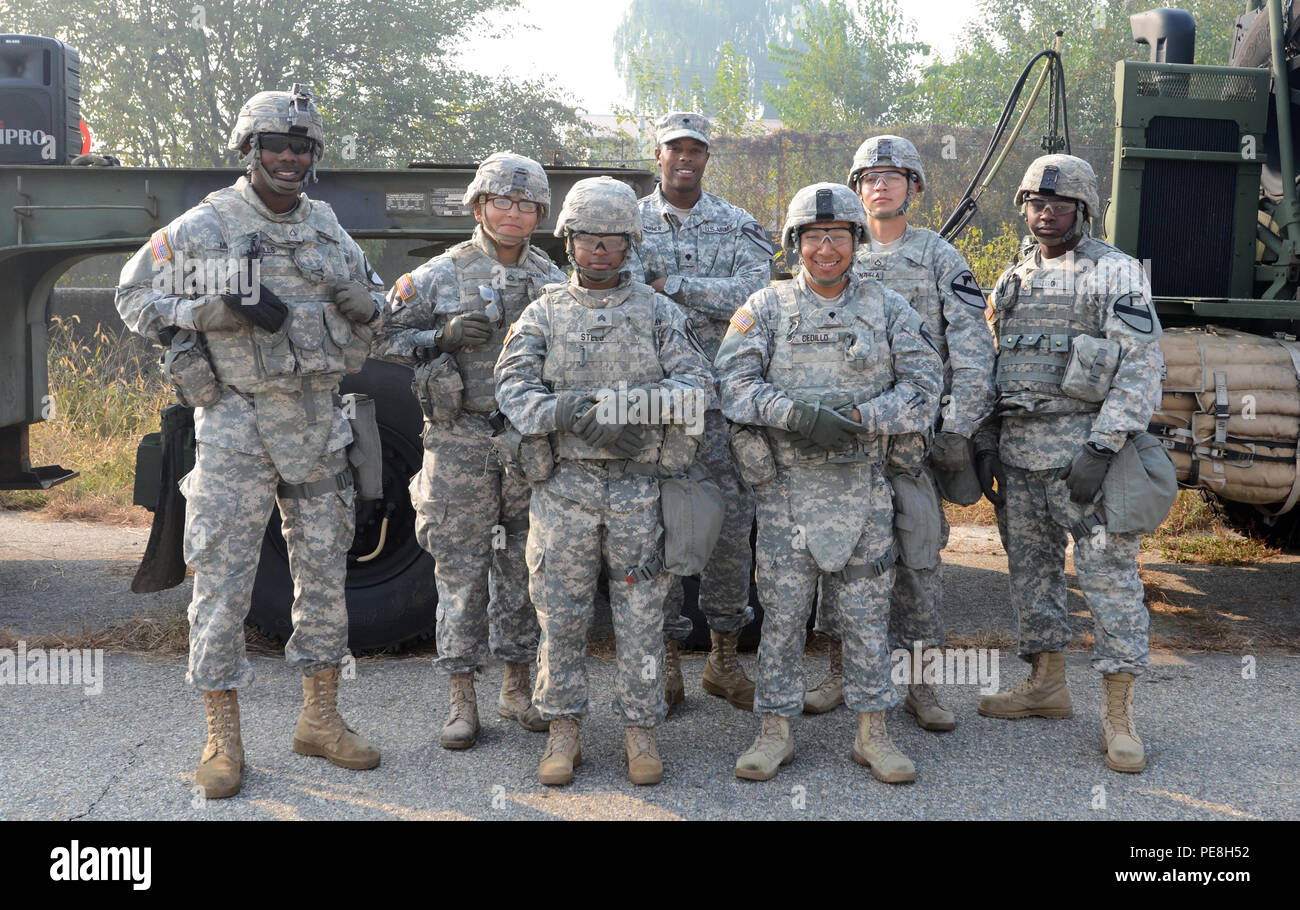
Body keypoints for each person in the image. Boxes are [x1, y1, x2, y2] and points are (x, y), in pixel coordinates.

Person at [115, 86, 384, 798]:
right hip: (237, 419)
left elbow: (374, 295)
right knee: (224, 580)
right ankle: (223, 737)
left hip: (319, 417)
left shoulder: (327, 227)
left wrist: (372, 303)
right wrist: (209, 309)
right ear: (249, 150)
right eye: (276, 145)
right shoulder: (207, 227)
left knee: (325, 571)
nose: (290, 158)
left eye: (302, 147)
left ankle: (320, 720)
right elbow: (133, 298)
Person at [714, 183, 943, 783]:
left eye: (837, 236)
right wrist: (796, 415)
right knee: (783, 615)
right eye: (813, 237)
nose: (825, 249)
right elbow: (732, 386)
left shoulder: (890, 309)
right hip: (786, 491)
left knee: (867, 616)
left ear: (854, 242)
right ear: (794, 244)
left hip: (863, 488)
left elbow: (924, 391)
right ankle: (774, 732)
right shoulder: (762, 308)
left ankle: (875, 734)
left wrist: (862, 418)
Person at [495, 176, 713, 786]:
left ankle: (640, 733)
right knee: (560, 613)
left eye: (613, 240)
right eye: (588, 239)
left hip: (639, 487)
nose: (599, 251)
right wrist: (569, 415)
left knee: (641, 613)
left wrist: (626, 410)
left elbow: (697, 386)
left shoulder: (658, 312)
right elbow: (512, 391)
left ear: (630, 245)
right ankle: (562, 731)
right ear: (568, 241)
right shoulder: (543, 313)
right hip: (564, 487)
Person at [974, 154, 1163, 773]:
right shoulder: (1015, 277)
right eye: (1035, 202)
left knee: (1109, 584)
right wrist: (985, 440)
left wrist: (1103, 445)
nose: (1046, 213)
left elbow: (1140, 367)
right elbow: (998, 363)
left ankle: (1120, 716)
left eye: (1059, 204)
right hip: (1021, 459)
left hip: (1087, 463)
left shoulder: (1114, 274)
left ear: (1085, 209)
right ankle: (1046, 687)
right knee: (1032, 579)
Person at [372, 153, 566, 749]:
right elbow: (378, 334)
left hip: (526, 443)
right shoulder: (437, 275)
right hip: (458, 443)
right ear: (479, 206)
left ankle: (515, 688)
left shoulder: (553, 281)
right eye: (502, 202)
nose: (514, 213)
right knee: (459, 573)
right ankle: (461, 699)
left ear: (540, 214)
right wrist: (440, 336)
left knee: (523, 571)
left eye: (527, 204)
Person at [803, 135, 996, 731]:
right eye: (869, 177)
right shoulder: (835, 252)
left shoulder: (938, 257)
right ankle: (840, 672)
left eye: (893, 175)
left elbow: (970, 348)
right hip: (847, 444)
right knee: (839, 558)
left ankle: (924, 686)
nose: (880, 185)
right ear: (855, 189)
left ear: (914, 187)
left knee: (918, 563)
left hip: (913, 446)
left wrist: (957, 424)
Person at [624, 111, 773, 711]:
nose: (685, 159)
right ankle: (664, 661)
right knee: (653, 532)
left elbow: (755, 294)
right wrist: (674, 290)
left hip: (722, 406)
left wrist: (671, 284)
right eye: (674, 149)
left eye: (696, 150)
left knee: (731, 532)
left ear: (707, 158)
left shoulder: (737, 223)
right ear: (656, 155)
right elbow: (617, 286)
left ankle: (723, 658)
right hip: (654, 408)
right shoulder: (623, 221)